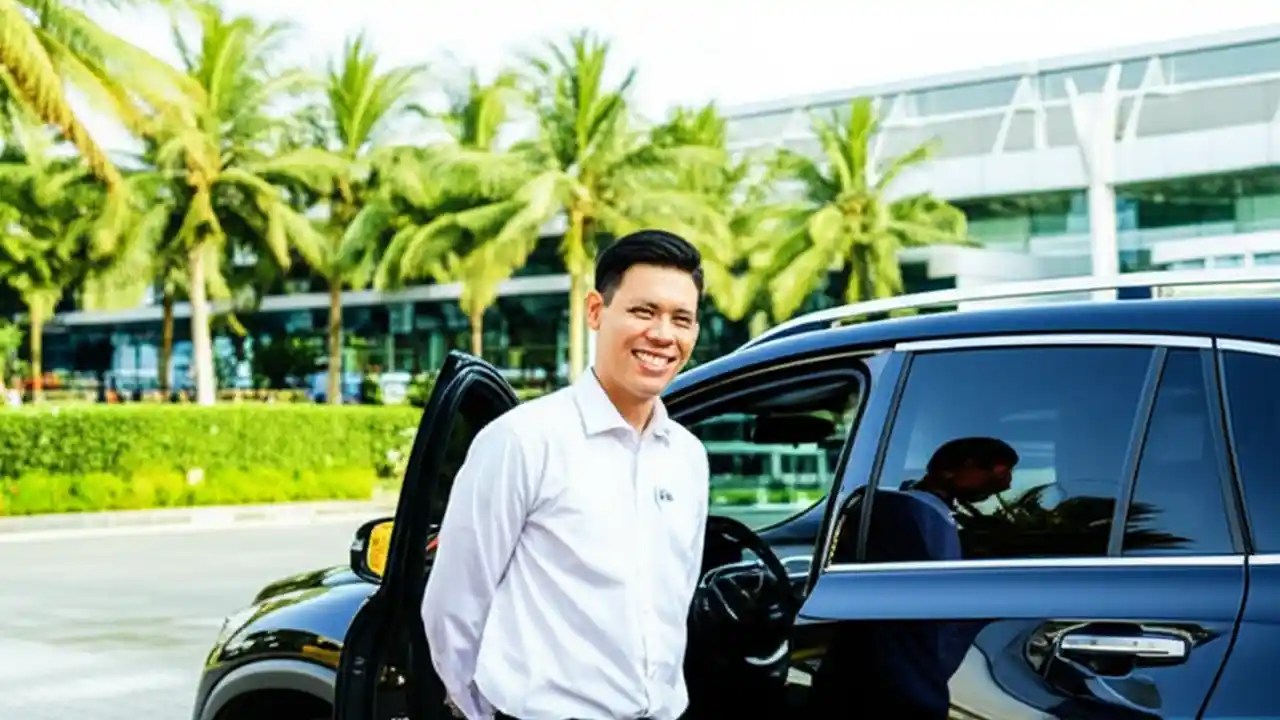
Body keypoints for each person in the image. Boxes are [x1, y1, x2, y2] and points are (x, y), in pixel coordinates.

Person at [421, 229, 710, 720]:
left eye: (681, 318)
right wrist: (480, 711)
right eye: (644, 311)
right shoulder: (523, 440)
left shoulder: (687, 457)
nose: (663, 335)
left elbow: (676, 597)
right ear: (596, 311)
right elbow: (454, 605)